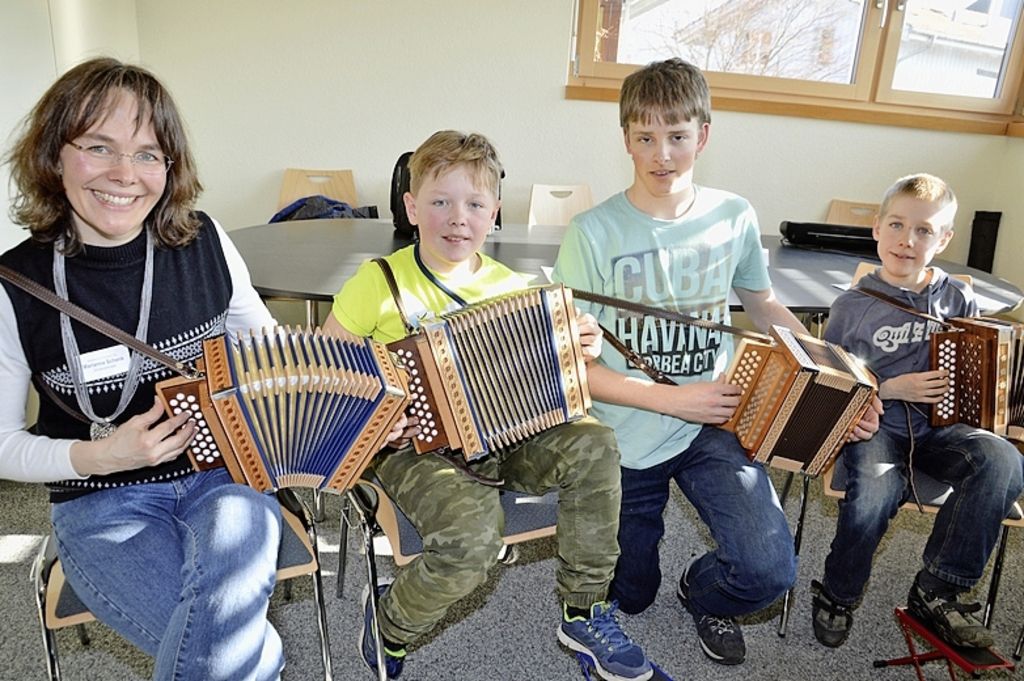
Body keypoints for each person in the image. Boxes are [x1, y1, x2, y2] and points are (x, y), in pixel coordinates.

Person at [552, 57, 880, 666]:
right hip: (623, 436)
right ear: (625, 138)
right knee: (631, 595)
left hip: (715, 422)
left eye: (677, 137)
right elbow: (575, 368)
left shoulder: (733, 215)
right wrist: (672, 399)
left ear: (703, 135)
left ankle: (702, 592)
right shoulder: (591, 232)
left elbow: (764, 305)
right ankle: (643, 577)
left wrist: (844, 385)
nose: (662, 155)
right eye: (645, 138)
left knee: (769, 571)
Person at [324, 130, 653, 681]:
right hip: (414, 449)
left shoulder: (513, 286)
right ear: (411, 207)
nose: (459, 219)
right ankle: (389, 622)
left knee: (595, 441)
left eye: (475, 205)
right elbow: (328, 378)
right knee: (474, 545)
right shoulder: (377, 283)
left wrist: (579, 350)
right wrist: (380, 418)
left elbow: (548, 382)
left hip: (505, 438)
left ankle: (583, 610)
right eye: (440, 202)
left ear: (494, 213)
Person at [0, 57, 284, 681]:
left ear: (169, 167)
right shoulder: (14, 285)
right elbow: (1, 444)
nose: (124, 174)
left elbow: (271, 356)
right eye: (99, 147)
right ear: (54, 155)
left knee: (224, 657)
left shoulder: (207, 242)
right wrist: (100, 456)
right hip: (101, 504)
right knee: (242, 657)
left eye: (148, 154)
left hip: (226, 477)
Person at [810, 173, 1024, 650]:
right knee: (874, 494)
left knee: (1005, 460)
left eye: (924, 230)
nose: (907, 240)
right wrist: (891, 387)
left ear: (943, 239)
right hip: (876, 428)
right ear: (877, 228)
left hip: (941, 429)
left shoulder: (956, 298)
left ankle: (937, 589)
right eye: (897, 225)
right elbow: (831, 386)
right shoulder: (851, 307)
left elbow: (970, 370)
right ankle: (839, 592)